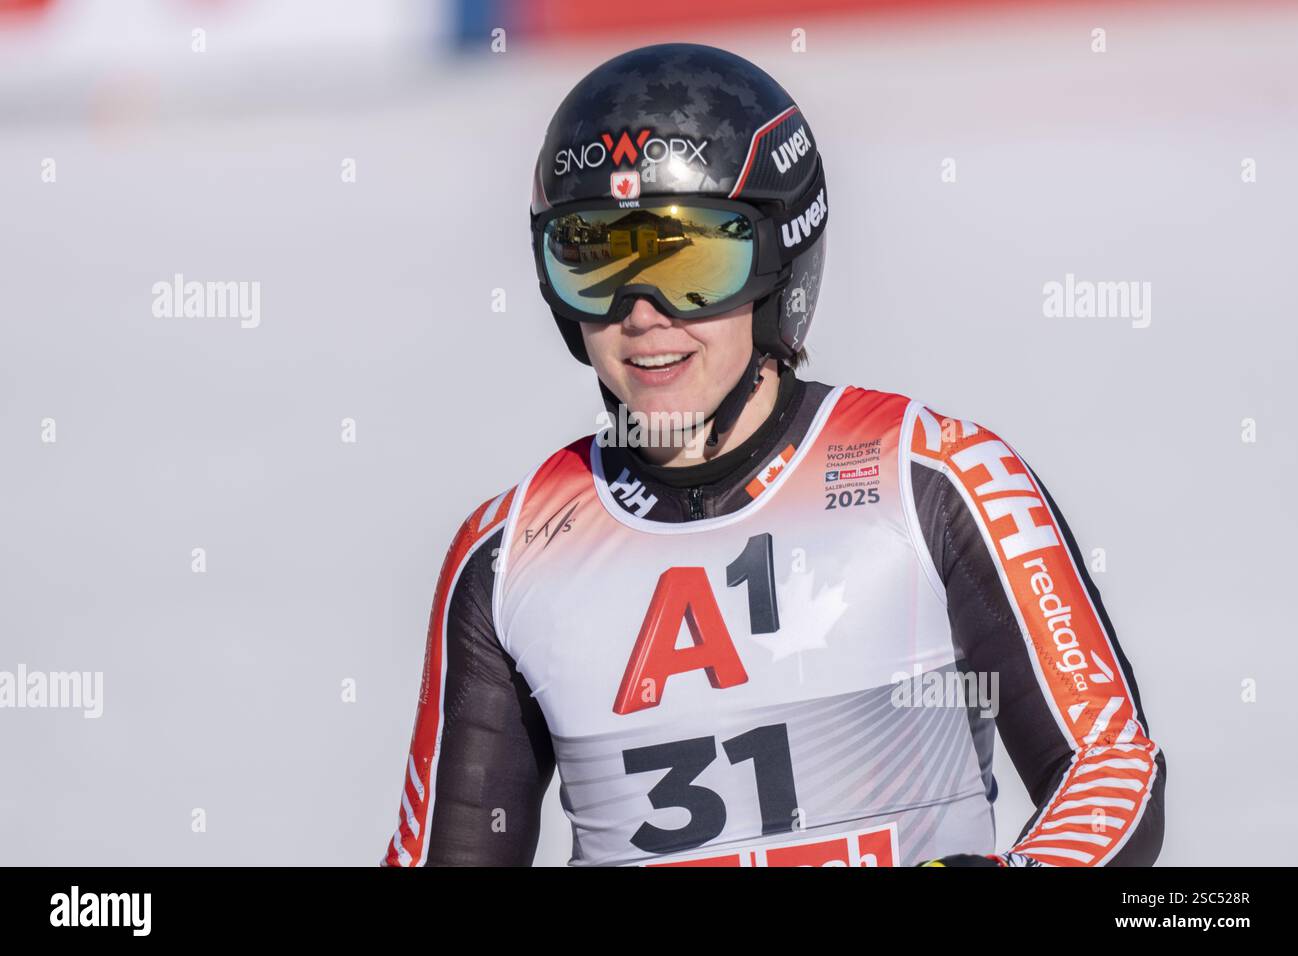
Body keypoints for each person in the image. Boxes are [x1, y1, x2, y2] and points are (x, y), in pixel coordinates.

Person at [382, 43, 1165, 867]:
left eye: (691, 261)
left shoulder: (933, 475)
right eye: (596, 258)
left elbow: (1108, 768)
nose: (641, 315)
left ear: (779, 263)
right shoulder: (507, 554)